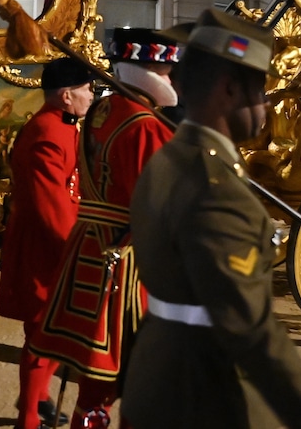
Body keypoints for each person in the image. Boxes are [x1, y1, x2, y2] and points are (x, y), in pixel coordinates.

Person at [121, 9, 301, 428]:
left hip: (158, 377)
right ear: (228, 89)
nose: (266, 106)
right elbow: (252, 332)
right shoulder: (215, 188)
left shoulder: (171, 156)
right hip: (205, 394)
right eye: (259, 92)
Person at [28, 29, 177, 428]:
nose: (172, 79)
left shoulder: (102, 111)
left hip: (93, 249)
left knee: (97, 382)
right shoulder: (146, 127)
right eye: (167, 70)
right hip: (131, 263)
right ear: (150, 70)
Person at [0, 57, 93, 429]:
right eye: (86, 89)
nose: (91, 95)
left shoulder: (63, 124)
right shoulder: (48, 133)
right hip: (45, 248)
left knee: (55, 331)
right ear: (67, 95)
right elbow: (51, 207)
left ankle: (36, 398)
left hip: (55, 244)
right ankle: (29, 419)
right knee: (44, 335)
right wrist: (78, 250)